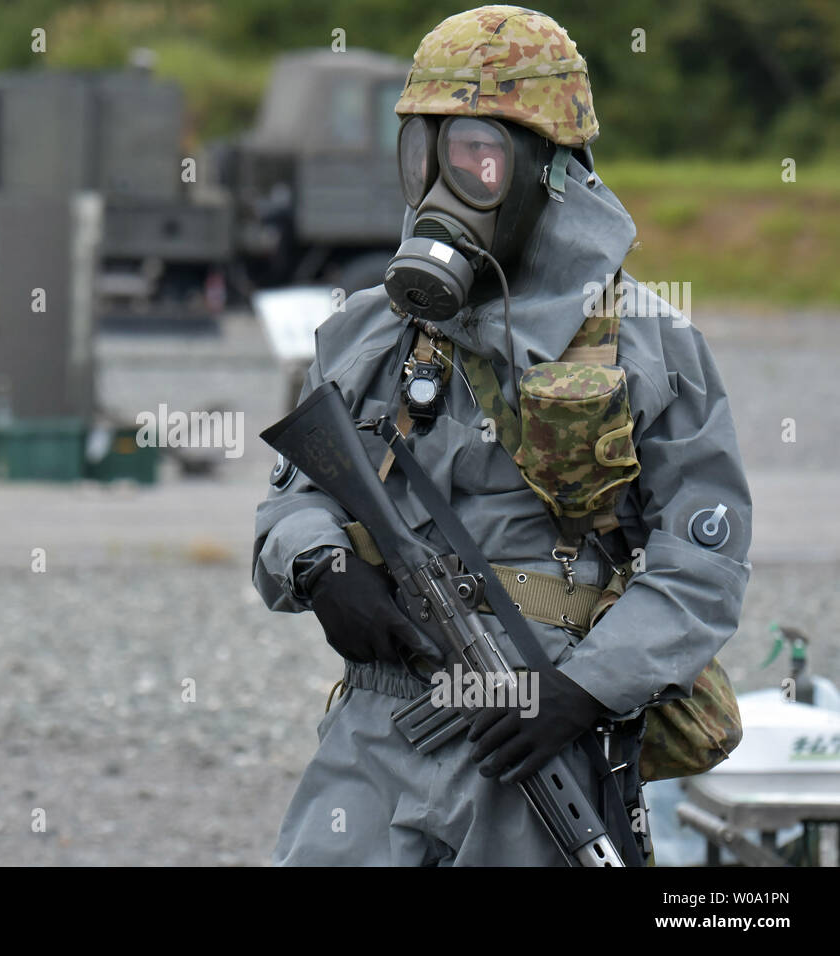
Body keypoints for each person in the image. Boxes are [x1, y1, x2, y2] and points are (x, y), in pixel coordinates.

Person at [252, 5, 752, 866]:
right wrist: (320, 567)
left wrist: (587, 688)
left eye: (478, 158)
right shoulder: (368, 334)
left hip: (533, 730)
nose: (446, 187)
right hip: (380, 724)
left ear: (548, 171)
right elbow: (293, 502)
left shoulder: (647, 344)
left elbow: (702, 562)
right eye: (426, 155)